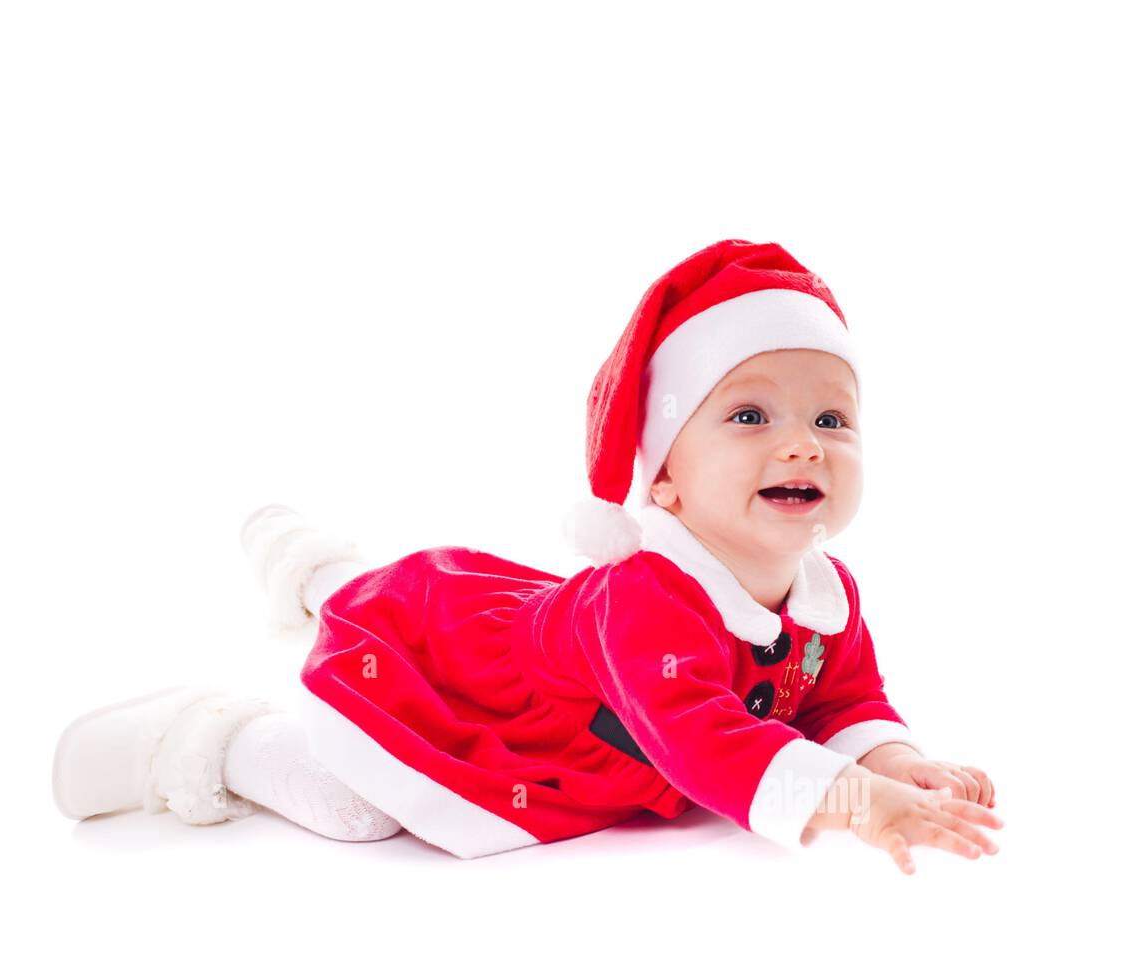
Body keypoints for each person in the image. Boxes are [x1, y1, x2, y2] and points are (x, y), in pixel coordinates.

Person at [52, 238, 1002, 874]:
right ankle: (201, 736)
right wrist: (849, 803)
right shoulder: (648, 603)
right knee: (360, 807)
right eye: (750, 416)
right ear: (662, 481)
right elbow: (699, 733)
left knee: (393, 617)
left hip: (551, 660)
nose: (804, 445)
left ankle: (322, 575)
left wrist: (893, 762)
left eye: (832, 419)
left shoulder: (826, 597)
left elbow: (845, 698)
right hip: (482, 689)